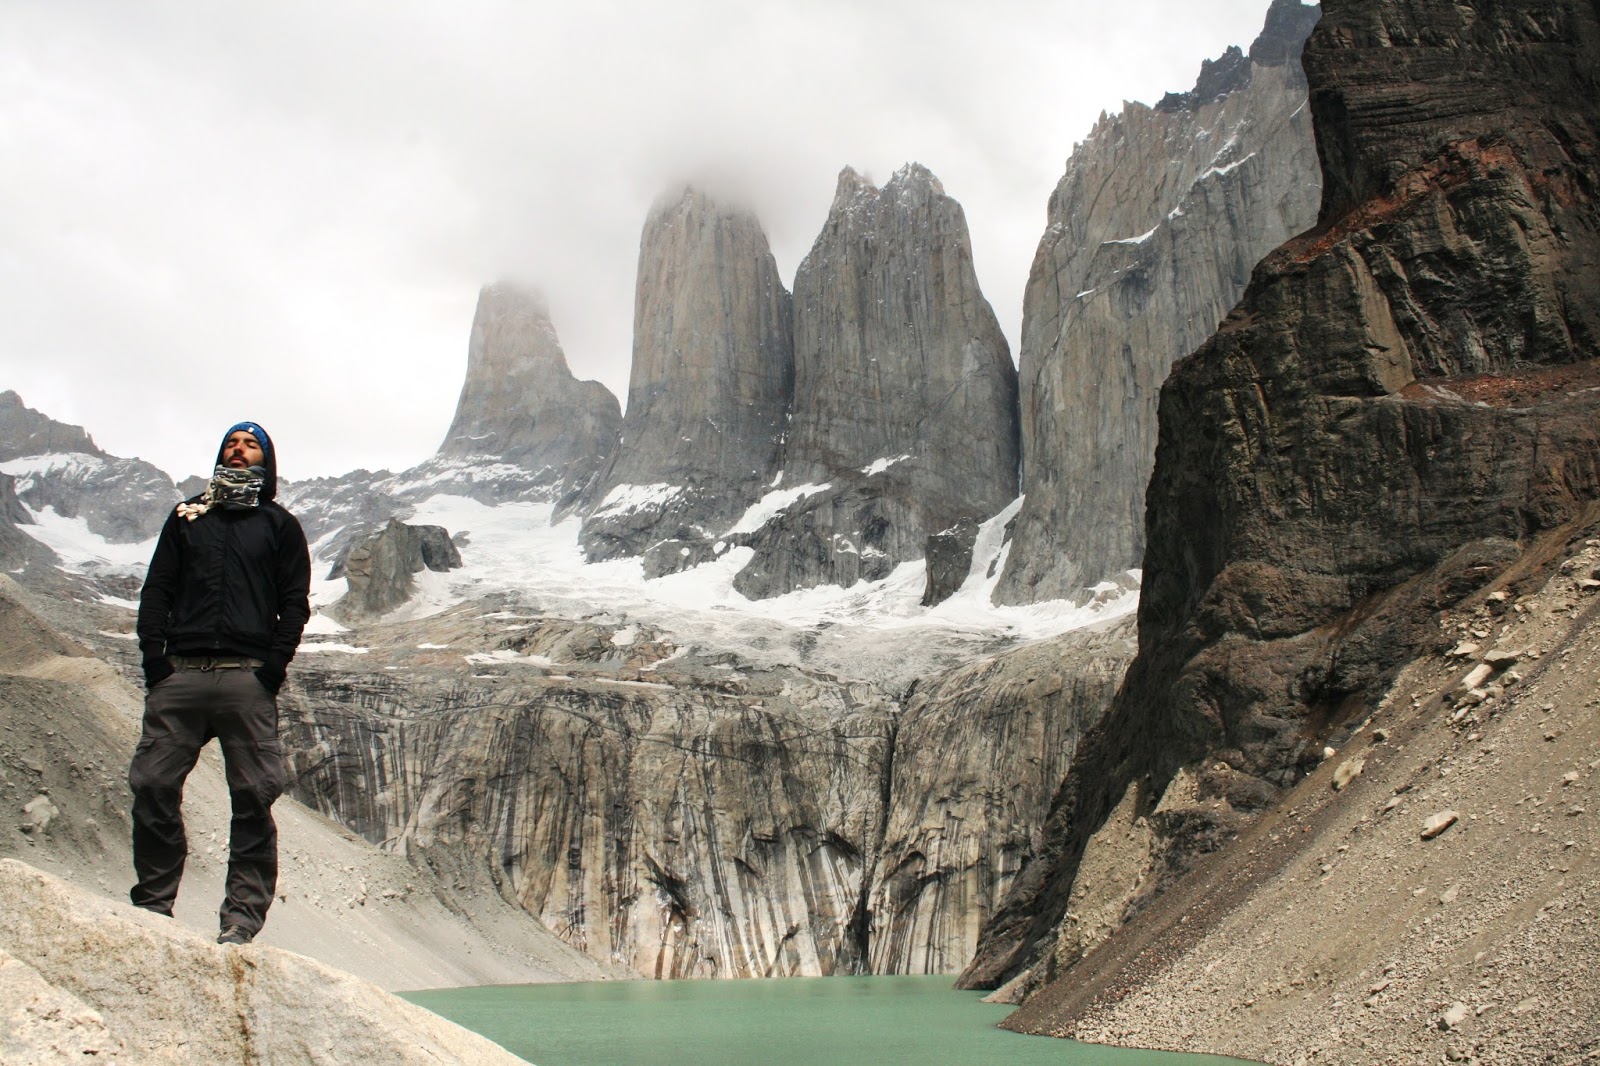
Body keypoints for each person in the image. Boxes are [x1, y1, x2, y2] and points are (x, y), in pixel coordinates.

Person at [129, 421, 311, 945]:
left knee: (254, 796)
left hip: (246, 679)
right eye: (232, 443)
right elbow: (157, 589)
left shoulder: (279, 525)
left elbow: (293, 602)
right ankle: (154, 905)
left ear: (265, 460)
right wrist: (155, 664)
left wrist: (271, 671)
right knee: (152, 783)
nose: (239, 450)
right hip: (180, 675)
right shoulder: (188, 517)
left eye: (250, 444)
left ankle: (240, 921)